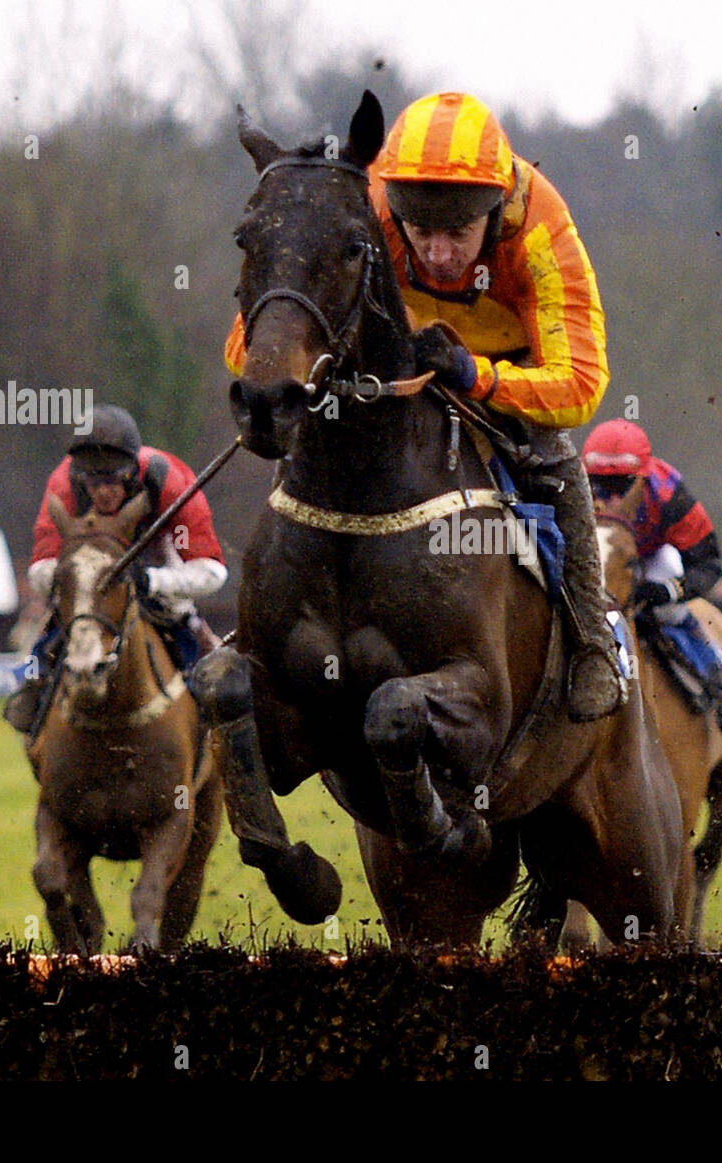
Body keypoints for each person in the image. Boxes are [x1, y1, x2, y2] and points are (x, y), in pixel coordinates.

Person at [223, 91, 624, 722]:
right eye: (421, 233)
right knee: (317, 450)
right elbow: (249, 343)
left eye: (457, 234)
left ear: (493, 213)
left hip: (506, 369)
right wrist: (300, 367)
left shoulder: (541, 226)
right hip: (392, 360)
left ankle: (590, 639)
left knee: (558, 467)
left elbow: (580, 384)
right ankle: (267, 625)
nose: (437, 253)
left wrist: (477, 376)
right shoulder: (370, 205)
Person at [2, 404, 227, 733]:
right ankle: (36, 704)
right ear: (80, 477)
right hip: (90, 598)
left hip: (162, 592)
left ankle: (230, 761)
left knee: (223, 689)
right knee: (40, 663)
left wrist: (150, 581)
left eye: (113, 479)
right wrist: (82, 578)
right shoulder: (63, 487)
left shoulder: (170, 481)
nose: (102, 491)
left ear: (133, 472)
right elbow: (40, 570)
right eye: (93, 482)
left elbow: (212, 572)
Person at [582, 418, 722, 738]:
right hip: (598, 554)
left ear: (644, 477)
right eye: (600, 485)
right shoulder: (572, 486)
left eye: (622, 486)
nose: (612, 499)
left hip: (650, 556)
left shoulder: (670, 493)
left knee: (670, 610)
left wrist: (668, 591)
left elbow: (708, 564)